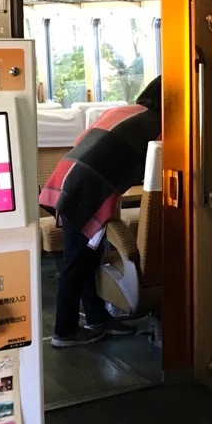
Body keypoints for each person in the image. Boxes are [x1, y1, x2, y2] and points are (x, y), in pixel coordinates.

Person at [39, 76, 162, 347]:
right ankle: (64, 332)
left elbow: (84, 139)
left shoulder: (121, 111)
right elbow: (156, 169)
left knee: (86, 258)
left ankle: (96, 318)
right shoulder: (159, 126)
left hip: (66, 177)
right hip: (85, 189)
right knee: (75, 261)